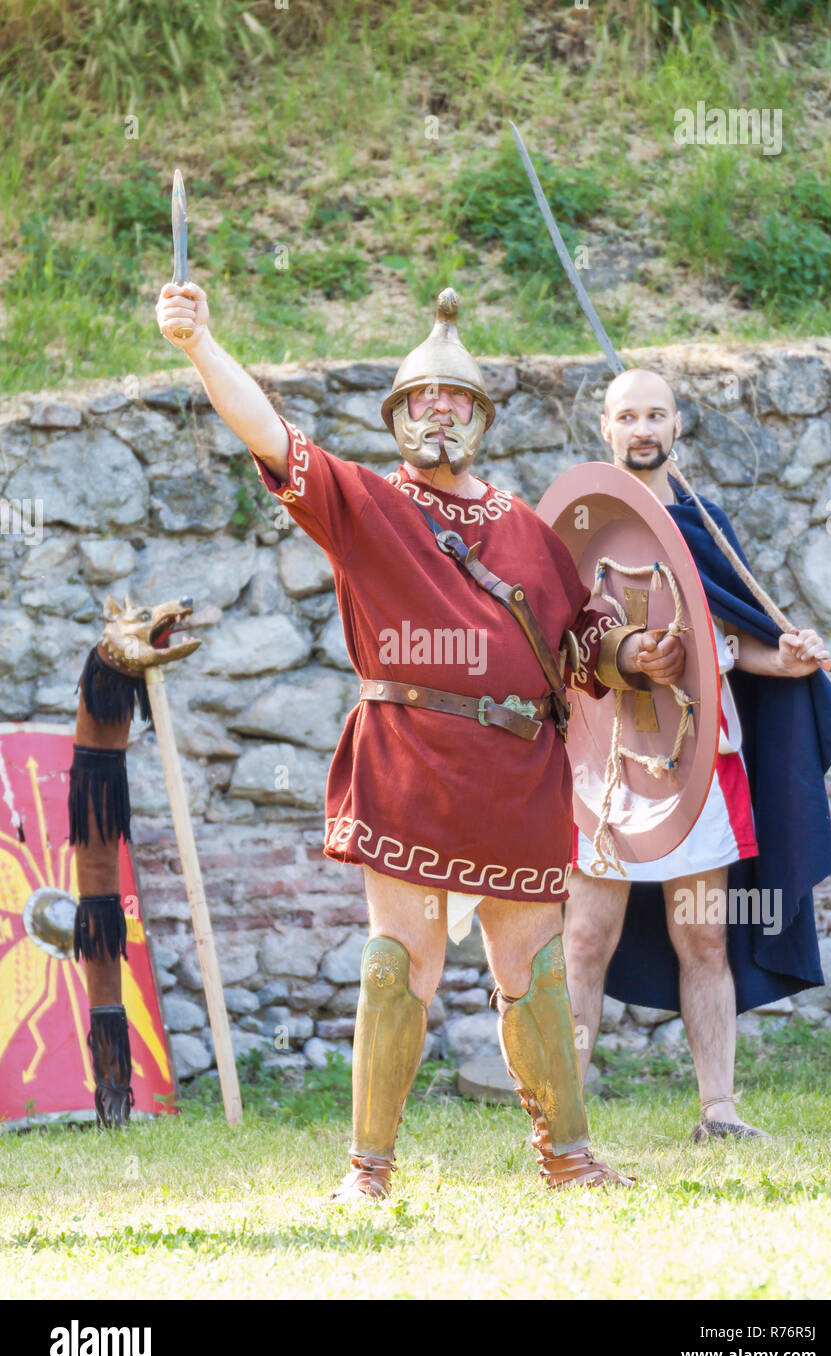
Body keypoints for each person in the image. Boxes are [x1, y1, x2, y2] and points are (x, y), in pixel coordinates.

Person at [156, 282, 685, 1195]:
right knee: (402, 959)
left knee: (536, 965)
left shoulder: (524, 526)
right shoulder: (362, 503)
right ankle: (369, 1171)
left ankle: (568, 1158)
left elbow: (581, 637)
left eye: (455, 401)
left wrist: (642, 650)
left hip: (518, 767)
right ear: (398, 415)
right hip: (407, 755)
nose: (437, 413)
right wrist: (202, 344)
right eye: (419, 402)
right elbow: (269, 435)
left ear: (480, 419)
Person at [564, 368, 831, 1141]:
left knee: (703, 935)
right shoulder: (579, 527)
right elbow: (553, 649)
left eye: (656, 414)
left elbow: (735, 643)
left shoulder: (706, 524)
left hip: (699, 762)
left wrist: (784, 660)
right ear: (605, 428)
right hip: (607, 767)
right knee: (585, 939)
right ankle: (563, 1123)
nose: (643, 428)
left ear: (678, 426)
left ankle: (717, 1112)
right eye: (628, 416)